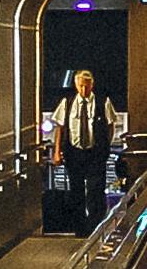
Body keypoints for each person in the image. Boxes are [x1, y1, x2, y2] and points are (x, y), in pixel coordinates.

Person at [46, 67, 115, 220]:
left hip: (95, 153)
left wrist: (105, 145)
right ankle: (79, 226)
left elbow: (110, 125)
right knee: (76, 190)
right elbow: (60, 128)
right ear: (76, 85)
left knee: (95, 190)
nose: (84, 89)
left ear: (92, 85)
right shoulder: (67, 102)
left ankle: (95, 223)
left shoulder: (103, 102)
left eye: (87, 85)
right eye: (81, 86)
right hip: (74, 152)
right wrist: (57, 151)